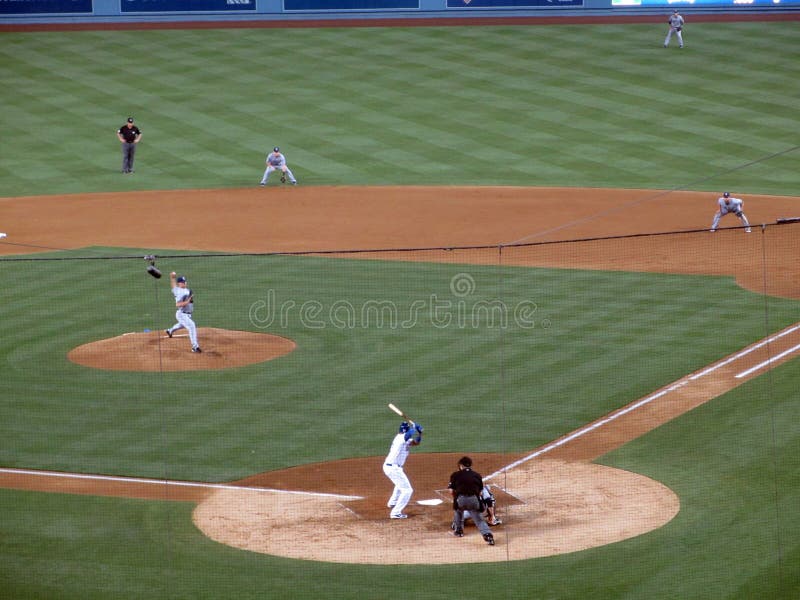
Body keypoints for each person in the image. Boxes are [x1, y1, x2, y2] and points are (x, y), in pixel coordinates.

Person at [448, 456, 495, 545]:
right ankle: (488, 536)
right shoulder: (477, 475)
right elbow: (480, 492)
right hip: (474, 499)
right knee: (479, 520)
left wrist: (456, 499)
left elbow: (451, 491)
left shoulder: (455, 475)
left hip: (461, 499)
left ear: (461, 465)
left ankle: (459, 531)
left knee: (458, 511)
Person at [383, 420, 423, 519]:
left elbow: (416, 443)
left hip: (394, 467)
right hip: (392, 467)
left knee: (400, 484)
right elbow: (408, 435)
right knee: (407, 490)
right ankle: (395, 513)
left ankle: (393, 502)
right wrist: (414, 427)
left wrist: (420, 433)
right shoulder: (400, 438)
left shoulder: (405, 438)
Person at [165, 271, 201, 353]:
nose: (184, 283)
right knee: (192, 326)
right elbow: (178, 304)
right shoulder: (181, 292)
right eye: (182, 282)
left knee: (181, 325)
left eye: (185, 282)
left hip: (187, 314)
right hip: (182, 314)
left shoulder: (178, 290)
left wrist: (172, 277)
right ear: (179, 284)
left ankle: (169, 331)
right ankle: (195, 347)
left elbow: (173, 286)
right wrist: (187, 301)